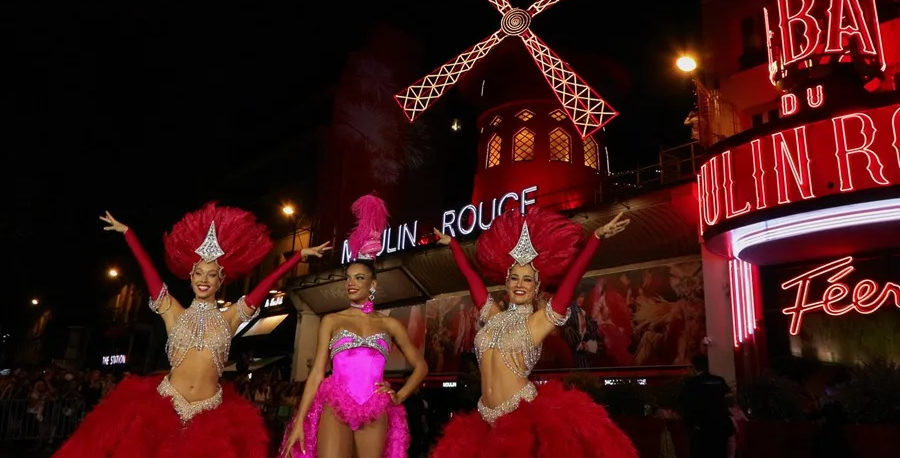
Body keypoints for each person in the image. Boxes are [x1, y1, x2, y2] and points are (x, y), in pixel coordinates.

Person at [56, 203, 332, 458]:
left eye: (211, 274)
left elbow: (260, 291)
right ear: (190, 277)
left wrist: (298, 257)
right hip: (164, 406)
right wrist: (129, 234)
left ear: (221, 280)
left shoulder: (231, 317)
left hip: (210, 415)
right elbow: (148, 272)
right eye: (199, 273)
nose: (204, 279)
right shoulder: (172, 311)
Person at [431, 207, 639, 457]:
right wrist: (453, 245)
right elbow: (471, 277)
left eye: (527, 279)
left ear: (537, 285)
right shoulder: (492, 315)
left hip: (520, 420)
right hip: (484, 422)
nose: (520, 284)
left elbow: (572, 279)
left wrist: (596, 238)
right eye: (515, 278)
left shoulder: (538, 322)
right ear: (506, 282)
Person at [281, 194, 428, 458]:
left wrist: (399, 395)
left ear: (372, 286)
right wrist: (299, 422)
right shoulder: (332, 320)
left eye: (359, 278)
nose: (351, 283)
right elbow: (316, 373)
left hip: (374, 406)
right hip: (335, 403)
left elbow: (421, 366)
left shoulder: (389, 323)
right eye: (348, 278)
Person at [680, 354, 735, 458]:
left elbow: (686, 404)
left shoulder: (691, 383)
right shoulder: (719, 381)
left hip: (701, 430)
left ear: (694, 367)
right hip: (720, 427)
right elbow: (729, 399)